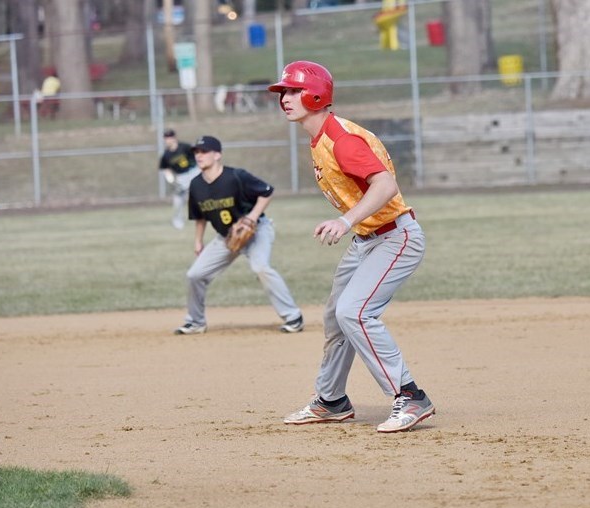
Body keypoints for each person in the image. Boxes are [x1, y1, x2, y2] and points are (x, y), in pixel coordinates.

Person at [268, 61, 434, 433]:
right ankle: (331, 400)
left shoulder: (341, 139)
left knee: (355, 312)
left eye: (293, 91)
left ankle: (410, 396)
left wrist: (344, 221)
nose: (285, 99)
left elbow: (385, 186)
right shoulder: (321, 137)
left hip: (395, 237)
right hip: (367, 240)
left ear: (315, 94)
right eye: (283, 93)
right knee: (336, 318)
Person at [174, 135, 304, 335]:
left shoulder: (236, 176)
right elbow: (199, 216)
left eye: (204, 151)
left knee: (261, 267)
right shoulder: (196, 185)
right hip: (226, 238)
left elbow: (267, 191)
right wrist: (198, 241)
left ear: (217, 154)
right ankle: (195, 321)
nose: (199, 156)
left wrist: (251, 217)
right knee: (194, 275)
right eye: (196, 152)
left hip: (257, 230)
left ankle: (293, 316)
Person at [158, 128, 201, 229]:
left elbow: (198, 155)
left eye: (170, 137)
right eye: (166, 138)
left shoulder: (184, 147)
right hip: (181, 177)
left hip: (193, 171)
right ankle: (178, 221)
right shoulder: (166, 155)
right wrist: (171, 179)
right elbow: (165, 168)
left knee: (202, 193)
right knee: (178, 200)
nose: (168, 140)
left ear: (174, 138)